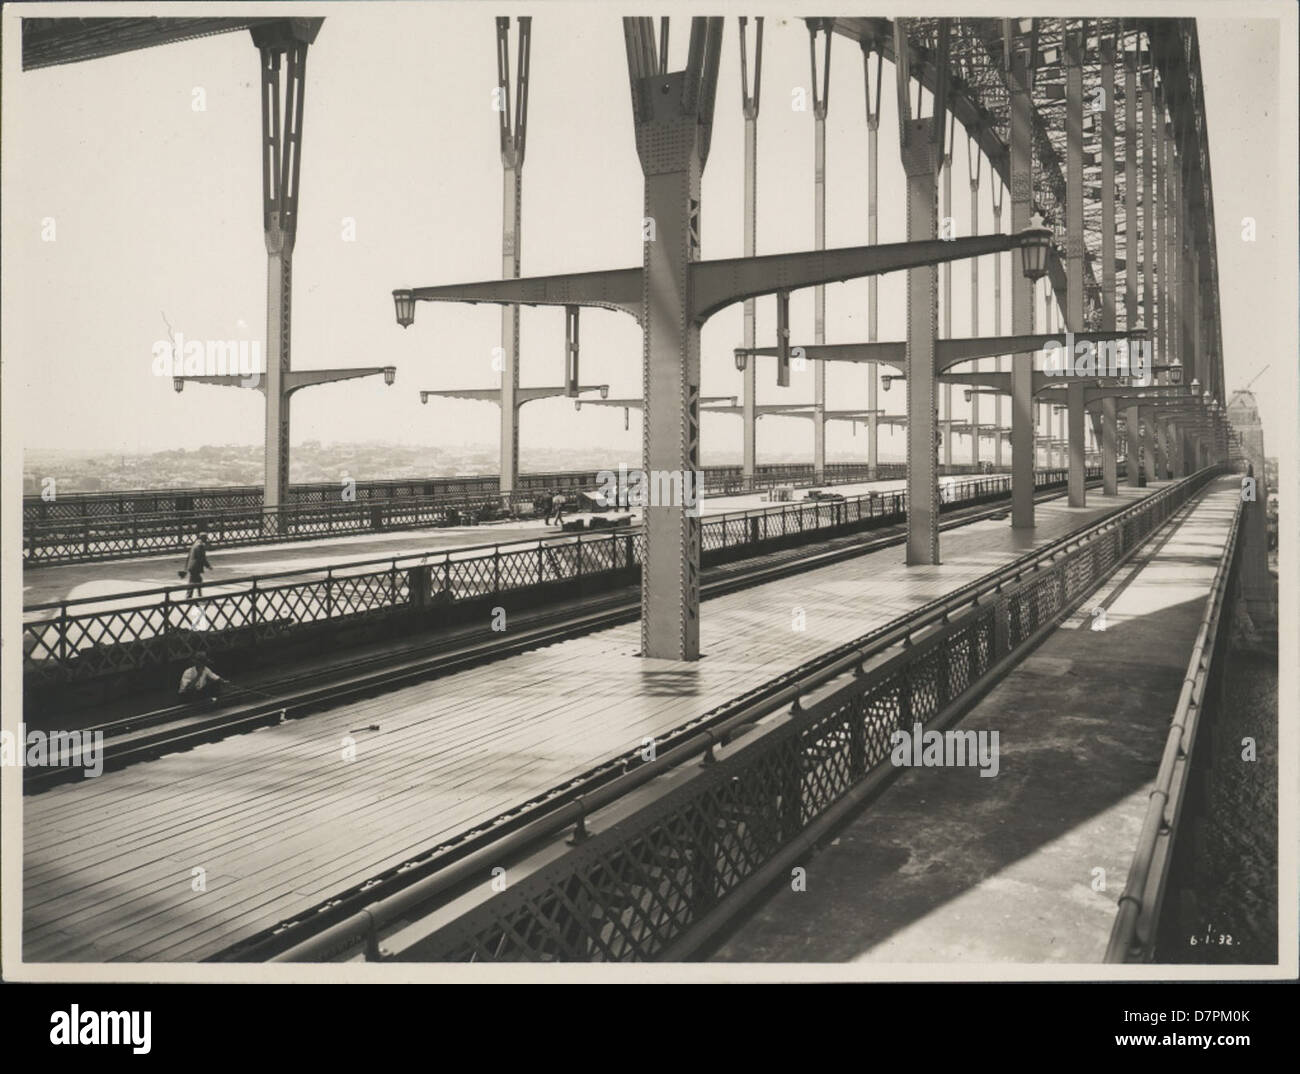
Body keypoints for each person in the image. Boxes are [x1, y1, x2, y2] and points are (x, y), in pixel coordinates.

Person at [178, 531, 214, 598]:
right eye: (205, 538)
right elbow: (202, 558)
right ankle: (189, 596)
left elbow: (189, 556)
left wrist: (186, 567)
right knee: (193, 582)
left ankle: (197, 595)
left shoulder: (195, 544)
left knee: (198, 580)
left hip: (192, 566)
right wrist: (208, 566)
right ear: (202, 538)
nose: (206, 539)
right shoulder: (200, 546)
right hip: (195, 567)